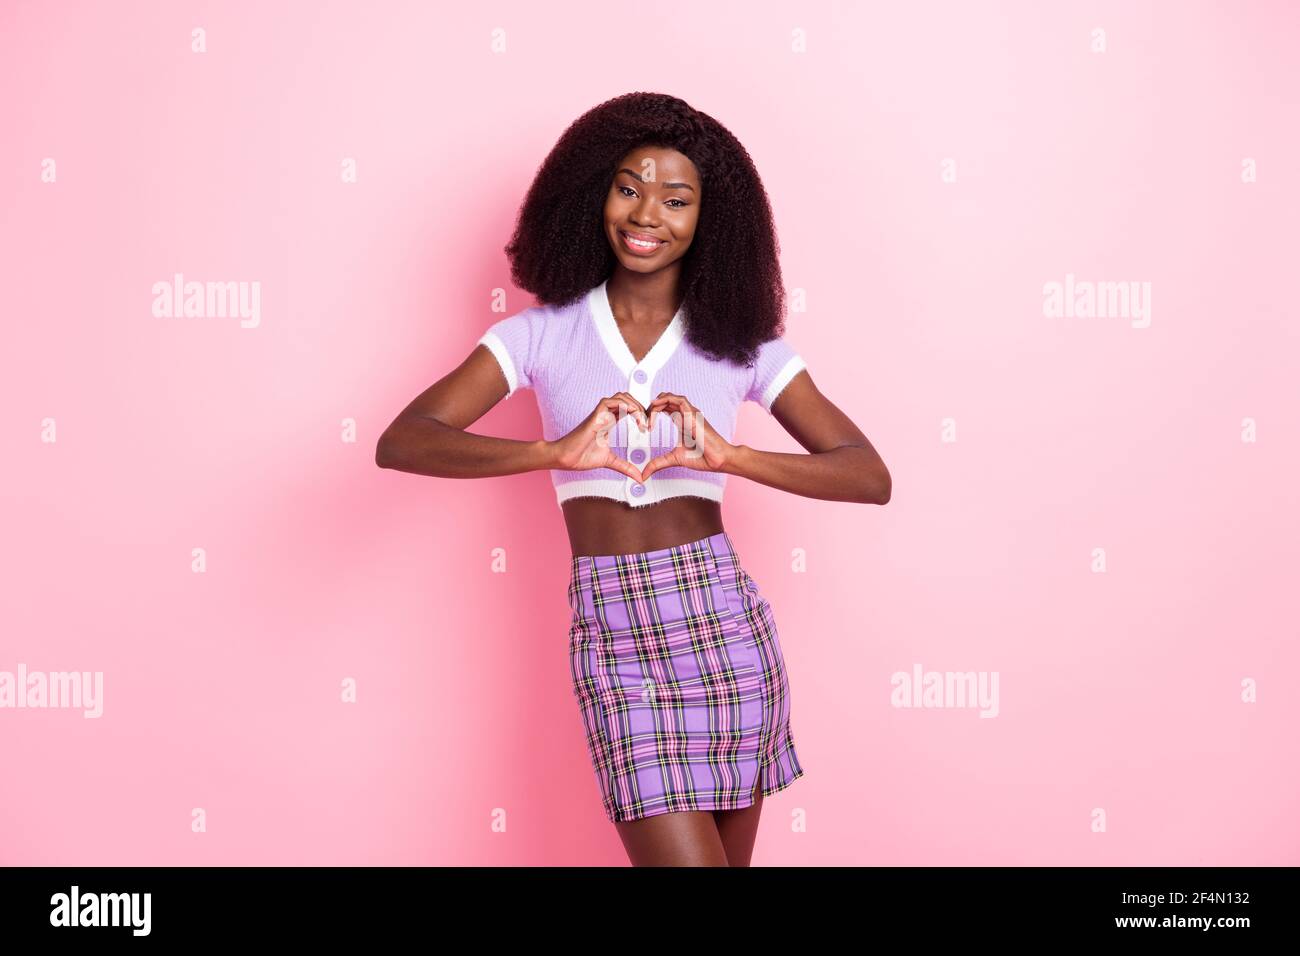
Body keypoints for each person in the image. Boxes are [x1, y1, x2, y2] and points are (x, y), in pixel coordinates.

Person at [376, 92, 891, 866]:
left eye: (676, 199)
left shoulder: (742, 346)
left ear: (708, 220)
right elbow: (404, 439)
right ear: (594, 194)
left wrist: (733, 456)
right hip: (614, 637)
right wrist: (550, 453)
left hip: (723, 627)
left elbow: (868, 474)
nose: (647, 213)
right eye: (629, 187)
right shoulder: (541, 333)